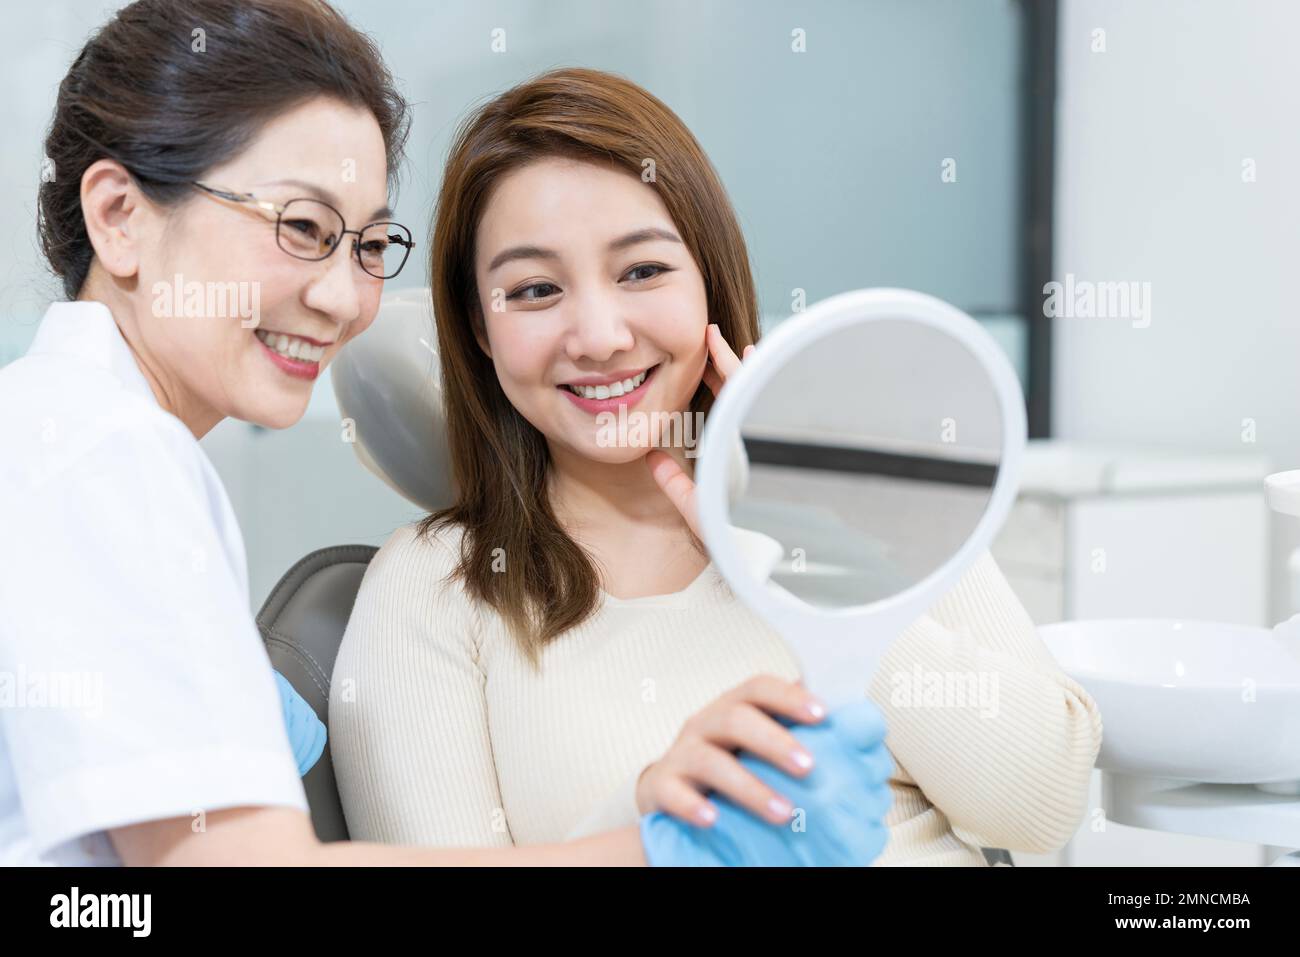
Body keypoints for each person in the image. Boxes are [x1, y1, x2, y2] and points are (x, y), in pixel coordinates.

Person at [0, 0, 890, 867]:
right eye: (302, 228)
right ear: (119, 216)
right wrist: (662, 842)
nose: (347, 300)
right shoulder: (103, 455)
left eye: (367, 245)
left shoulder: (74, 436)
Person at [331, 68, 1104, 865]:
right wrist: (650, 821)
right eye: (534, 289)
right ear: (481, 330)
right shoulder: (433, 591)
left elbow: (1043, 806)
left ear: (710, 279)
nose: (598, 335)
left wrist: (797, 554)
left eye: (642, 271)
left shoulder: (854, 495)